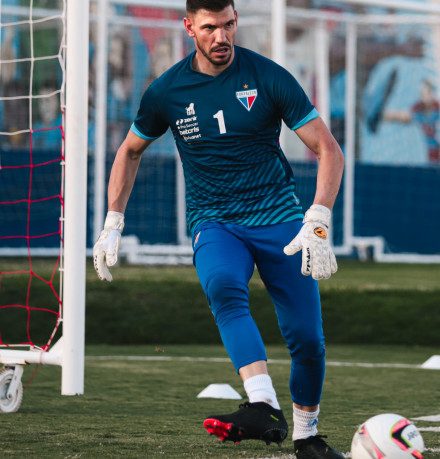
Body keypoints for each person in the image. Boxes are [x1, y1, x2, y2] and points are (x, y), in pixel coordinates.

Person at [92, 1, 344, 458]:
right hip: (215, 222)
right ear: (189, 27)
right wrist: (113, 220)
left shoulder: (269, 76)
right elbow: (129, 150)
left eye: (228, 25)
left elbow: (329, 150)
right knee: (224, 286)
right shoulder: (166, 91)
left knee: (307, 338)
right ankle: (264, 403)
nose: (221, 37)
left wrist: (319, 217)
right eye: (210, 28)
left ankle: (307, 435)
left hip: (281, 221)